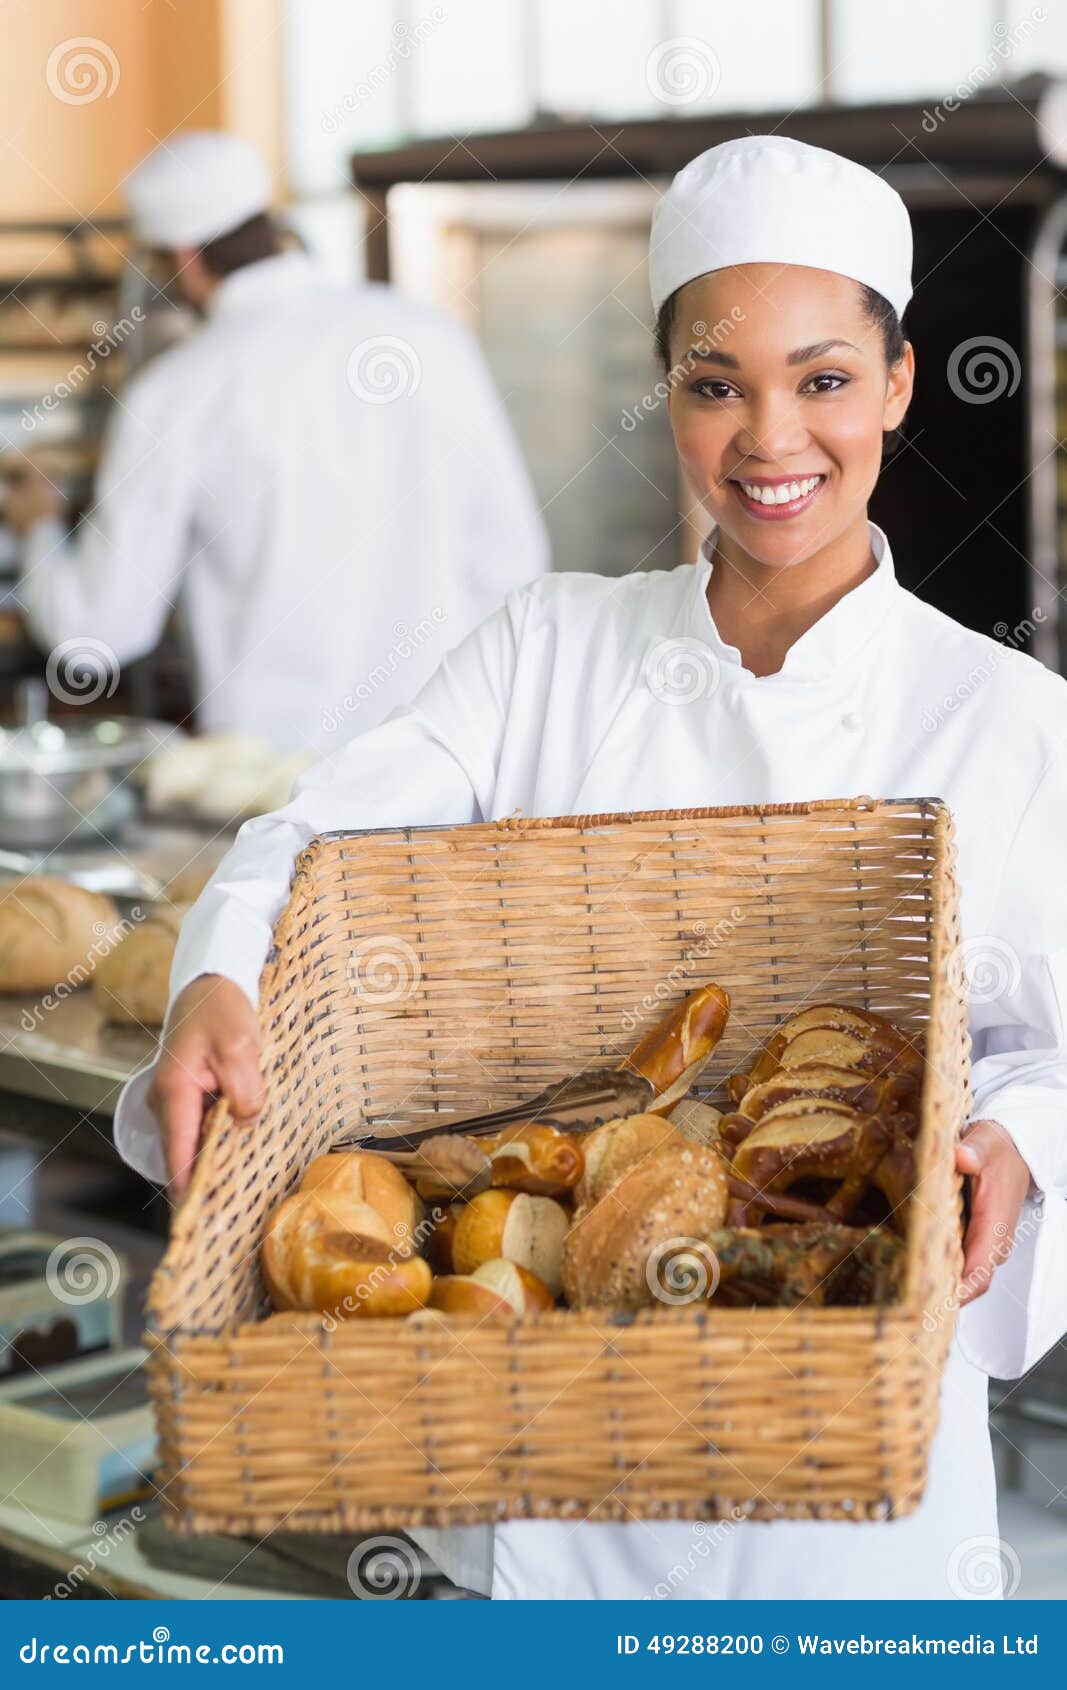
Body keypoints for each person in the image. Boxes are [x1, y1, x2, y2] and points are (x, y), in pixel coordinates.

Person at [115, 135, 1067, 1600]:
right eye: (712, 383)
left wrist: (1016, 1146)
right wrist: (218, 971)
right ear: (664, 393)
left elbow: (1035, 1056)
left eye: (819, 379)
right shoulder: (548, 645)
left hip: (846, 1519)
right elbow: (321, 832)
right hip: (539, 1492)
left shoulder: (1004, 719)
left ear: (894, 382)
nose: (767, 439)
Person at [7, 131, 548, 753]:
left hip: (280, 785)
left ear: (183, 257)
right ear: (268, 223)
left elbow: (98, 633)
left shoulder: (178, 390)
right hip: (450, 758)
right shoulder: (429, 335)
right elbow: (514, 563)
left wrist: (38, 528)